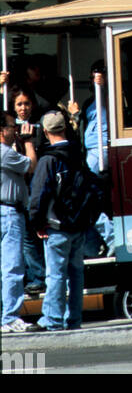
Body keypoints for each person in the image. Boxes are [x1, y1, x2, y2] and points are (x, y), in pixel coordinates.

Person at [28, 110, 88, 332]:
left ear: (45, 131)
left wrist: (37, 223)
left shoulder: (48, 160)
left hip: (56, 226)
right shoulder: (77, 154)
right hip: (78, 225)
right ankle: (74, 319)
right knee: (76, 274)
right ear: (64, 127)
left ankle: (52, 319)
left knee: (56, 275)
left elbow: (38, 196)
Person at [68, 60, 114, 258]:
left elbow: (112, 109)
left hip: (101, 148)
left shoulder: (112, 96)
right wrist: (76, 115)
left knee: (83, 195)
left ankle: (110, 238)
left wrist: (103, 86)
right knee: (85, 198)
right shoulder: (89, 102)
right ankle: (99, 242)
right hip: (90, 150)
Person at [1, 109, 39, 333]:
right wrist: (29, 142)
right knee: (12, 267)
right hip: (9, 213)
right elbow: (31, 165)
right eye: (11, 126)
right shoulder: (5, 153)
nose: (15, 130)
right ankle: (9, 317)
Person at [10, 87, 47, 292]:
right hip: (18, 185)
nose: (23, 108)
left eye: (26, 104)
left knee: (36, 231)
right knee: (25, 236)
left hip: (34, 183)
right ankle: (34, 275)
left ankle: (40, 274)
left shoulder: (38, 127)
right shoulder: (9, 128)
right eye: (19, 104)